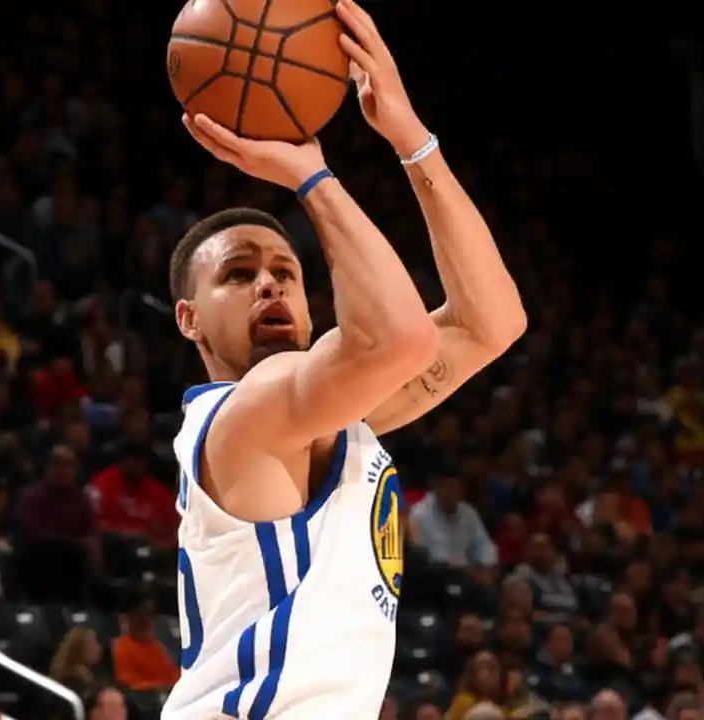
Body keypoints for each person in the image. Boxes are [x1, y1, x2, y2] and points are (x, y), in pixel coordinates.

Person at [162, 1, 525, 716]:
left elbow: (493, 322)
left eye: (286, 272)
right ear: (189, 319)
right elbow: (400, 339)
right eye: (239, 273)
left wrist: (413, 139)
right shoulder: (245, 417)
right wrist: (311, 180)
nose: (269, 280)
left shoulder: (333, 416)